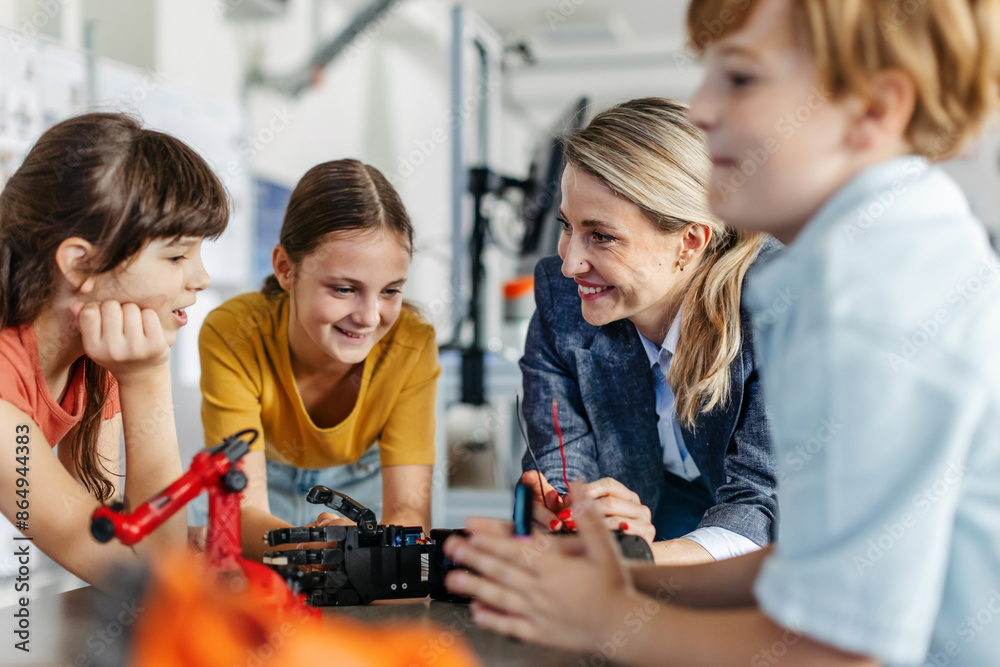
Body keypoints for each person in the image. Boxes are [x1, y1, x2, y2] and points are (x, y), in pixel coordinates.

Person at [443, 0, 1000, 665]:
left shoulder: (867, 300)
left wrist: (605, 615)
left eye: (739, 79)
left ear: (875, 108)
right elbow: (801, 564)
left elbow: (837, 653)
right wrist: (623, 578)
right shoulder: (885, 250)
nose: (701, 109)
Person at [519, 97, 778, 564]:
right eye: (566, 225)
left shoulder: (776, 305)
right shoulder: (561, 299)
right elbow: (563, 459)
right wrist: (569, 511)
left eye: (601, 235)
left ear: (689, 241)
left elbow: (761, 507)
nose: (570, 262)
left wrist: (633, 562)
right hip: (664, 511)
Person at [0, 112, 227, 586]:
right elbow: (143, 573)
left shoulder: (98, 356)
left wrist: (177, 540)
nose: (201, 278)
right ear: (81, 265)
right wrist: (148, 379)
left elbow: (118, 536)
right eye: (176, 256)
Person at [199, 159, 439, 560]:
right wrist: (322, 548)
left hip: (361, 492)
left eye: (390, 291)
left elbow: (408, 517)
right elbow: (241, 512)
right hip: (262, 492)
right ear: (285, 269)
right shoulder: (233, 332)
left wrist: (360, 543)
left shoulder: (412, 344)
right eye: (345, 289)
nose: (369, 316)